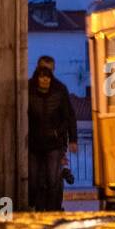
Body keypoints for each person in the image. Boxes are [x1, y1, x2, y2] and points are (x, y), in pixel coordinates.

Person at [28, 56, 77, 210]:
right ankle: (35, 205)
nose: (45, 75)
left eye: (48, 71)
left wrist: (71, 139)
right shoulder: (28, 88)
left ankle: (53, 208)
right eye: (42, 70)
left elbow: (69, 115)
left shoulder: (59, 90)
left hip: (54, 143)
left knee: (52, 179)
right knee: (33, 179)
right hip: (34, 143)